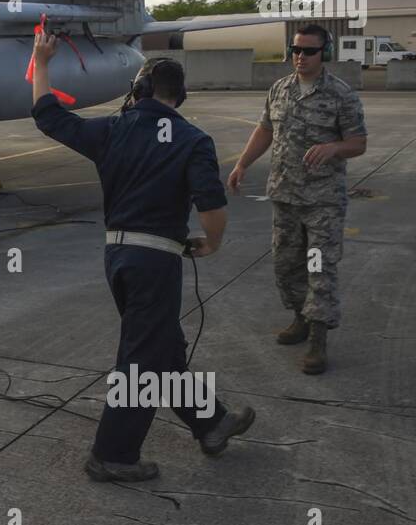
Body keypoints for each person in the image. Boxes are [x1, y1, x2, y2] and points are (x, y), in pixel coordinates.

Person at [32, 30, 255, 482]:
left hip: (117, 259)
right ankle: (112, 454)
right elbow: (212, 207)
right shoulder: (193, 140)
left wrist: (41, 61)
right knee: (142, 358)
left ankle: (210, 421)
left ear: (137, 91)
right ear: (181, 96)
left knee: (162, 348)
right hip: (156, 263)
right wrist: (211, 244)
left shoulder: (112, 129)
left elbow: (47, 115)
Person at [227, 24, 367, 374]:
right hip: (285, 194)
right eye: (296, 49)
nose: (300, 57)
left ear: (326, 54)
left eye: (309, 51)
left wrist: (334, 146)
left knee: (319, 267)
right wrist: (243, 163)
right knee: (286, 265)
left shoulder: (341, 94)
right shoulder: (280, 89)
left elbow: (359, 142)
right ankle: (300, 319)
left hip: (323, 199)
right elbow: (265, 129)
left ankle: (318, 339)